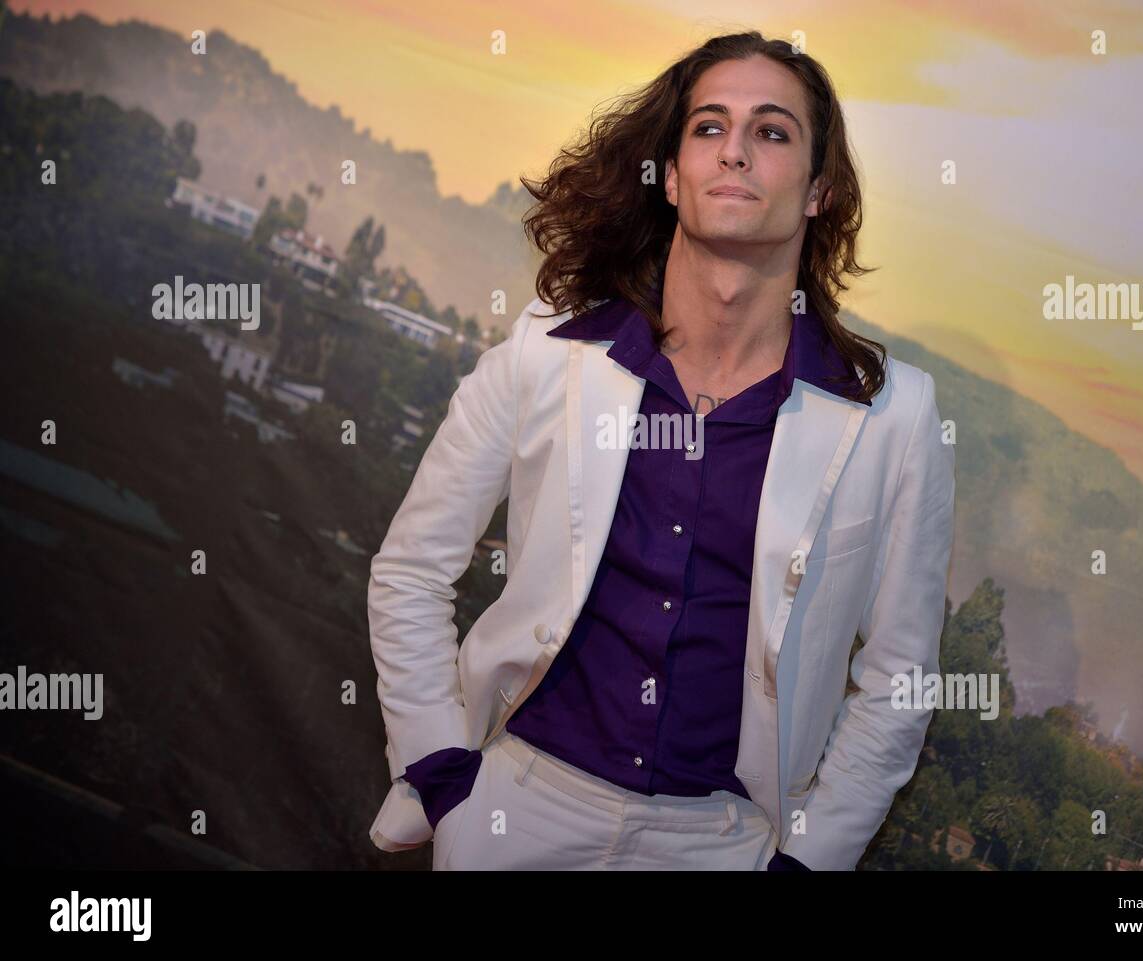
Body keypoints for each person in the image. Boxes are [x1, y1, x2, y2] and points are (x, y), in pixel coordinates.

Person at [366, 30, 955, 871]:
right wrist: (439, 772)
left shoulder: (893, 416)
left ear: (820, 190)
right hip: (517, 811)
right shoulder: (547, 352)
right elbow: (411, 568)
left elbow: (900, 679)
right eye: (709, 127)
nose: (738, 152)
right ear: (672, 177)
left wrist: (809, 859)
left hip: (720, 841)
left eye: (774, 131)